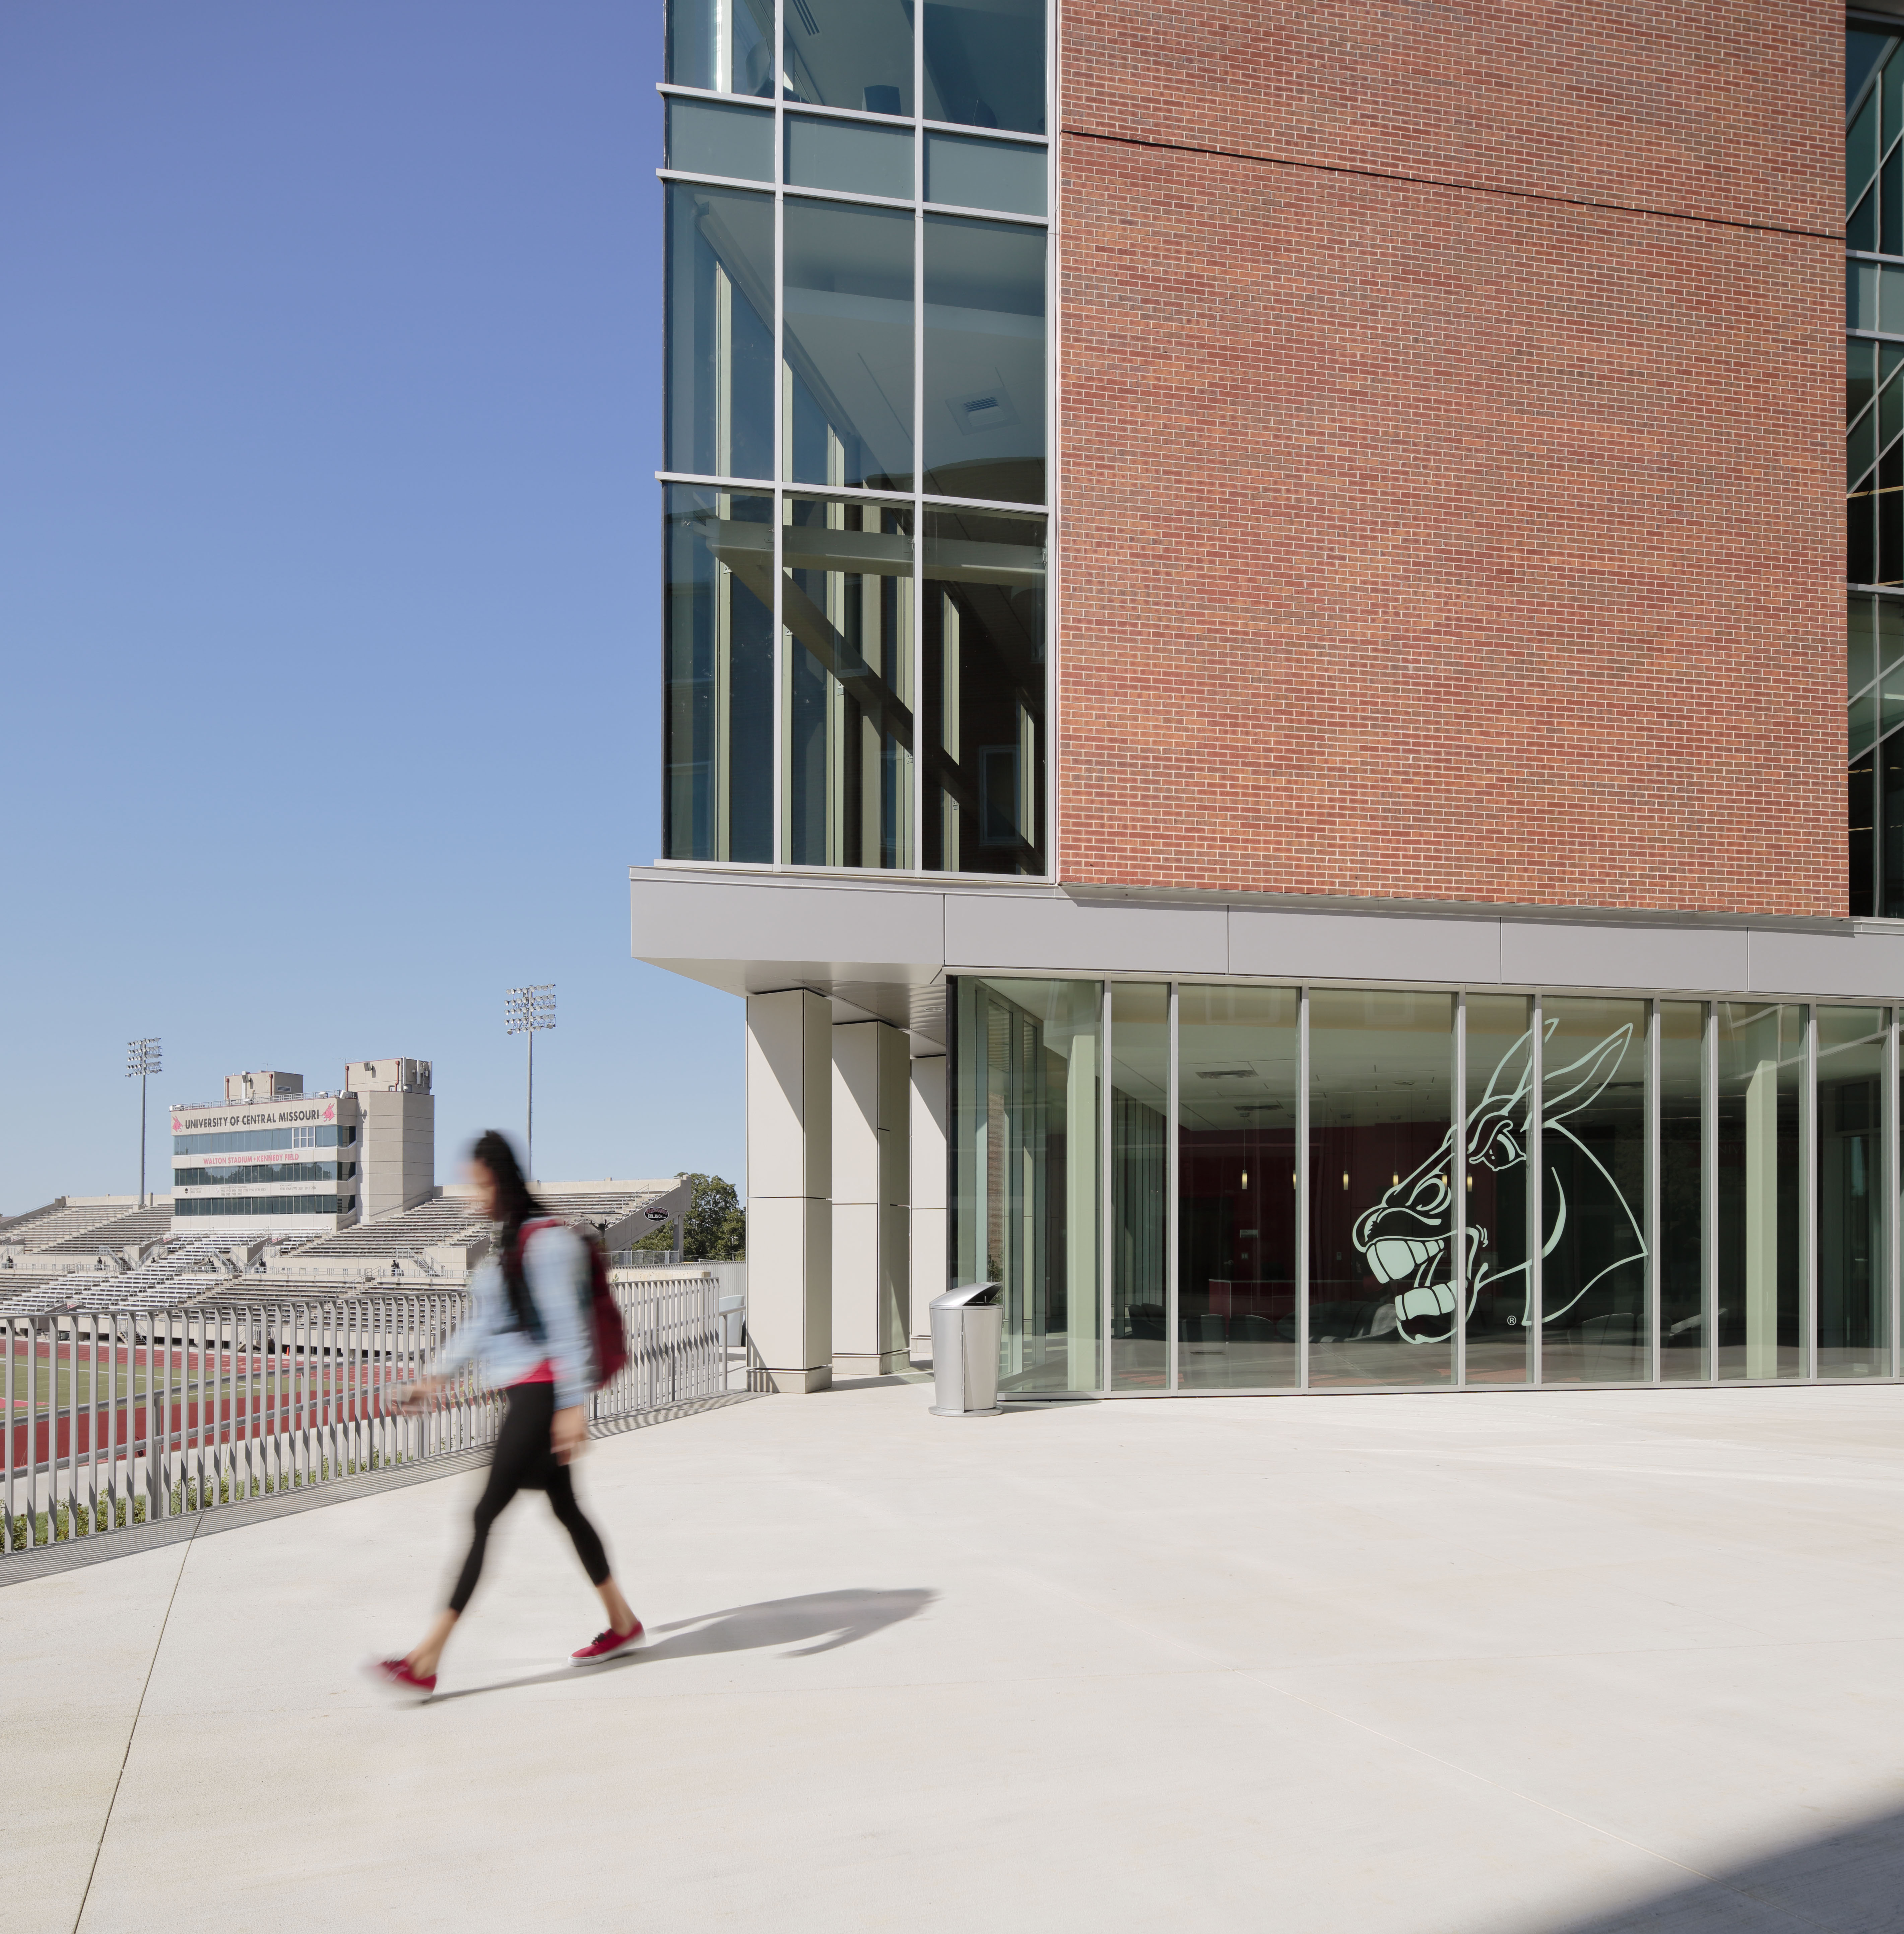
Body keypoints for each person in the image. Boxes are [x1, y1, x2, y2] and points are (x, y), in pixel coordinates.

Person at [368, 1130, 641, 1696]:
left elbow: (567, 1327)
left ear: (501, 1182)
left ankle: (425, 1660)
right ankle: (623, 1623)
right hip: (525, 1394)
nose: (473, 1196)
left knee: (485, 1514)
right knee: (567, 1510)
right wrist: (434, 1379)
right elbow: (482, 1326)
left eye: (479, 1185)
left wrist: (570, 1408)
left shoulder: (545, 1245)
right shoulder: (509, 1247)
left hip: (541, 1397)